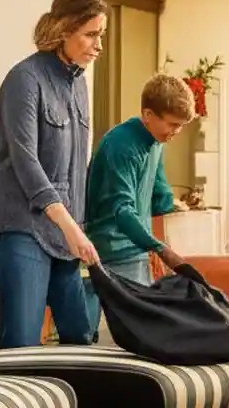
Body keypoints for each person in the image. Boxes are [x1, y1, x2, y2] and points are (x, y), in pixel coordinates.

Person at [0, 0, 107, 349]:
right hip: (19, 227)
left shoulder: (79, 84)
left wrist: (78, 228)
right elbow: (25, 163)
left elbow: (77, 166)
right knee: (21, 342)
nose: (98, 45)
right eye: (90, 35)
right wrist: (70, 227)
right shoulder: (24, 79)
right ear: (64, 30)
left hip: (63, 234)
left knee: (79, 335)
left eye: (101, 35)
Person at [84, 74, 194, 336]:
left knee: (144, 332)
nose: (176, 132)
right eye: (172, 124)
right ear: (148, 114)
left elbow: (159, 194)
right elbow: (121, 210)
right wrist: (159, 248)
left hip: (136, 251)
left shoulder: (155, 142)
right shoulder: (120, 145)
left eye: (181, 127)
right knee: (122, 335)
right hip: (110, 252)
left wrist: (178, 208)